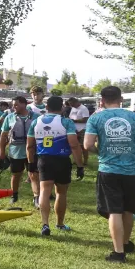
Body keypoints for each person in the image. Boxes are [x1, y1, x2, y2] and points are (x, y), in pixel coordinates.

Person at [83, 86, 135, 262]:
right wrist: (132, 151)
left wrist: (101, 152)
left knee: (114, 211)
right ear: (121, 99)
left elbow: (87, 144)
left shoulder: (96, 118)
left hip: (109, 169)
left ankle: (119, 252)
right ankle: (126, 242)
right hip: (133, 170)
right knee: (128, 210)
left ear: (102, 100)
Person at [26, 96, 85, 237]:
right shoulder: (66, 122)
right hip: (62, 160)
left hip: (44, 160)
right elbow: (74, 145)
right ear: (63, 107)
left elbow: (29, 146)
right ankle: (59, 223)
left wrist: (30, 164)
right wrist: (80, 165)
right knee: (61, 193)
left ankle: (45, 223)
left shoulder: (36, 122)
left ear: (46, 107)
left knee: (44, 192)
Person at [0, 96, 35, 205]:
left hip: (32, 151)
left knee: (34, 175)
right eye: (13, 105)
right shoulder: (9, 117)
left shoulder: (36, 117)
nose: (14, 107)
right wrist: (1, 152)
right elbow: (3, 136)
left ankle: (36, 197)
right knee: (16, 174)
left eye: (16, 105)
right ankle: (14, 195)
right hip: (15, 152)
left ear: (24, 104)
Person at [67, 97, 91, 166]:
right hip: (74, 130)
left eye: (72, 104)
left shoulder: (83, 108)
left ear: (76, 102)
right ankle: (76, 160)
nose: (71, 105)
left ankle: (85, 161)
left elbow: (85, 119)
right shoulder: (73, 108)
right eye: (70, 104)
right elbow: (70, 117)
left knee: (83, 147)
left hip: (82, 129)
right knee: (75, 146)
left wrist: (75, 121)